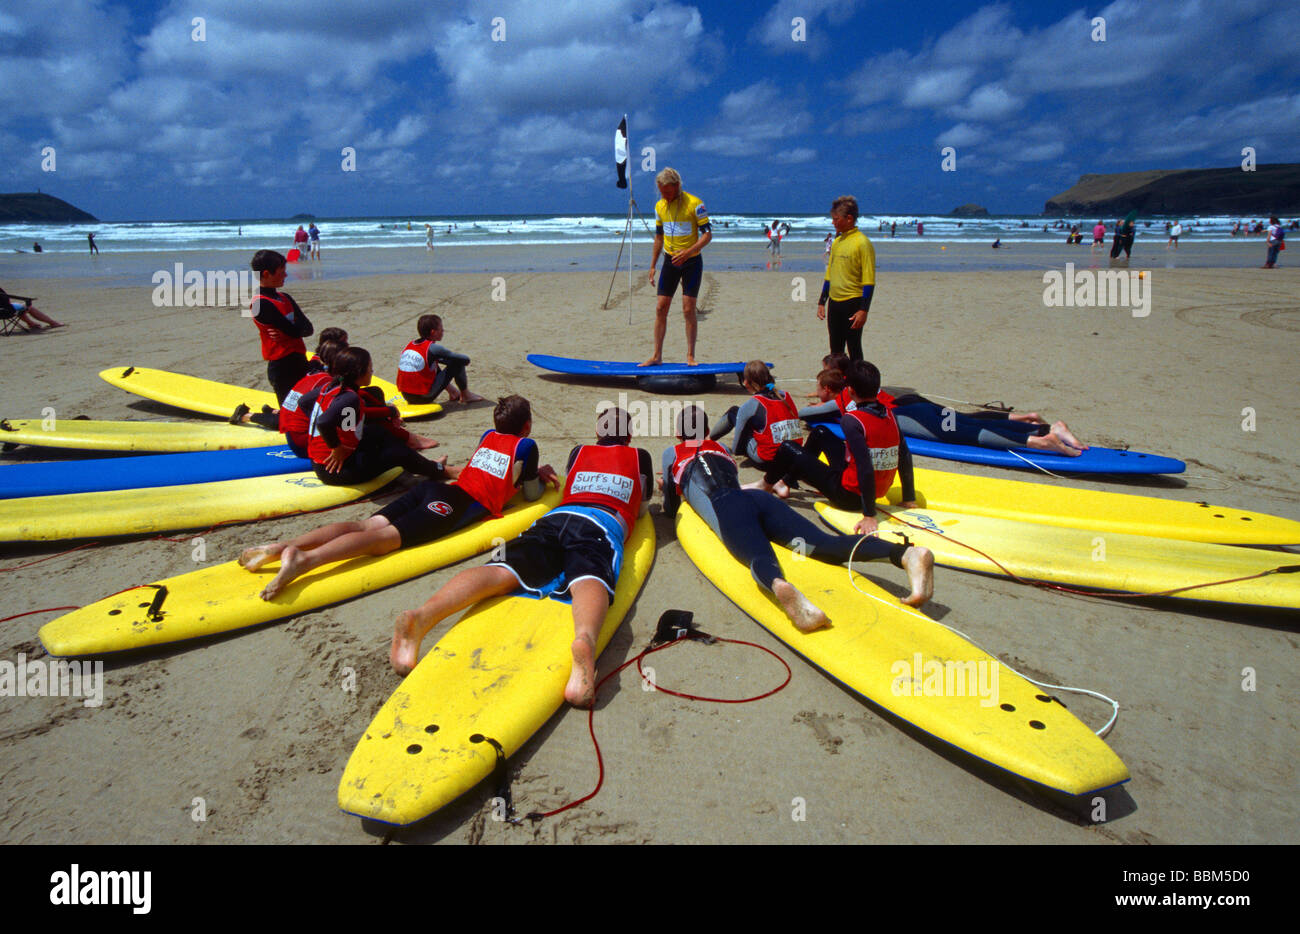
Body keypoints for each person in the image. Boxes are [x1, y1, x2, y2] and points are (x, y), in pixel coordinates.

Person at [389, 407, 655, 708]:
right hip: (600, 523)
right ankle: (585, 641)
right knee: (588, 575)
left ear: (597, 432)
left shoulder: (578, 452)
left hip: (557, 516)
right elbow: (641, 509)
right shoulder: (639, 456)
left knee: (502, 569)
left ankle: (423, 616)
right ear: (629, 436)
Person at [240, 394, 558, 600]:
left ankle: (283, 546)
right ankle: (305, 560)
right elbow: (531, 495)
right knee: (382, 540)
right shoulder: (526, 446)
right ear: (527, 425)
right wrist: (540, 476)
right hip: (452, 504)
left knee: (365, 526)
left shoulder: (488, 436)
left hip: (433, 489)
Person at [662, 405, 933, 630]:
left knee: (759, 557)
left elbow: (670, 508)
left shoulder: (671, 454)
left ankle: (781, 586)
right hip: (758, 498)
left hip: (728, 508)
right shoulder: (719, 447)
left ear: (677, 434)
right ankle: (905, 554)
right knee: (823, 544)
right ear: (707, 431)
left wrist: (671, 488)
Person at [800, 359, 1088, 457]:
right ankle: (1045, 428)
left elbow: (803, 414)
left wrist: (816, 406)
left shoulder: (840, 401)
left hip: (910, 417)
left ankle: (1040, 441)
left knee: (966, 435)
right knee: (970, 422)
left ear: (831, 391)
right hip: (917, 405)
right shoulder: (862, 386)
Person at [306, 346, 445, 486]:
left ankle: (426, 464)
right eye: (370, 368)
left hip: (322, 463)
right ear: (359, 372)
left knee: (377, 431)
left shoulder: (330, 386)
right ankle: (441, 470)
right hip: (336, 470)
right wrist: (336, 447)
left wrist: (315, 435)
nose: (372, 371)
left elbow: (304, 402)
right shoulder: (349, 397)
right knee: (396, 453)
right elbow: (323, 422)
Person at [642, 167, 711, 366]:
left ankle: (690, 355)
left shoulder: (695, 204)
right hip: (670, 261)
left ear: (677, 186)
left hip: (691, 262)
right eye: (662, 192)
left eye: (669, 192)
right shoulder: (659, 206)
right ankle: (657, 355)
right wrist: (652, 265)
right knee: (660, 308)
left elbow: (707, 235)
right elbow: (659, 237)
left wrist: (688, 252)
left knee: (688, 309)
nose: (666, 196)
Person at [709, 361, 804, 497]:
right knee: (761, 424)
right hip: (792, 455)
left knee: (734, 412)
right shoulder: (785, 395)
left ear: (747, 382)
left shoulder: (753, 404)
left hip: (768, 460)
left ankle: (708, 439)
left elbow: (737, 449)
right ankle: (782, 482)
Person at [249, 250, 314, 403]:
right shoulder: (260, 304)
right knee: (290, 412)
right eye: (282, 272)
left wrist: (289, 332)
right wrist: (293, 330)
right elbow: (296, 331)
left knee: (307, 408)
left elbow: (308, 329)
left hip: (300, 360)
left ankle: (270, 411)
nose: (286, 275)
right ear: (266, 274)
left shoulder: (285, 297)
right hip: (282, 368)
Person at [816, 195, 875, 362]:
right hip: (834, 302)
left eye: (836, 219)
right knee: (835, 350)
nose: (833, 223)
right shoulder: (837, 242)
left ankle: (858, 378)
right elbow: (830, 274)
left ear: (849, 219)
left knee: (854, 347)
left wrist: (863, 310)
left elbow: (869, 280)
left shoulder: (862, 243)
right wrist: (822, 301)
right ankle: (838, 379)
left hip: (853, 302)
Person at [395, 314, 486, 405]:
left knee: (430, 364)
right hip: (422, 398)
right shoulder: (433, 349)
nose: (443, 331)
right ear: (433, 332)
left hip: (406, 395)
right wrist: (442, 358)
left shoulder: (410, 345)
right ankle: (466, 395)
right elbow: (465, 360)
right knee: (457, 363)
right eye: (441, 328)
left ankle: (453, 392)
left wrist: (438, 358)